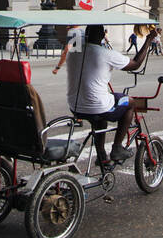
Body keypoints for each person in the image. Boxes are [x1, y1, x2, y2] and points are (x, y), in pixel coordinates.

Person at [64, 23, 156, 168]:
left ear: (86, 35)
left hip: (75, 106)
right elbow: (136, 64)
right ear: (102, 36)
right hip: (97, 106)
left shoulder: (73, 51)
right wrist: (148, 40)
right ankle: (117, 148)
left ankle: (101, 156)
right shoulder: (105, 53)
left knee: (100, 119)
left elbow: (76, 38)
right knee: (130, 102)